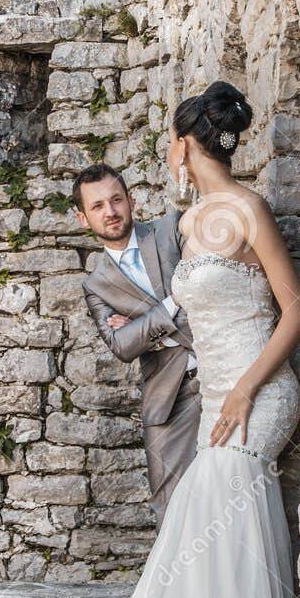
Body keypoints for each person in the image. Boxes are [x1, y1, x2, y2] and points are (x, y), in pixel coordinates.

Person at [42, 82, 300, 598]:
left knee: (222, 499)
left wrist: (246, 390)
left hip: (257, 391)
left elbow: (293, 308)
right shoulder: (188, 225)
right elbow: (144, 329)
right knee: (199, 515)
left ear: (184, 145)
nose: (168, 151)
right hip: (212, 392)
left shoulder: (248, 210)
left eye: (170, 141)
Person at [74, 165, 200, 524]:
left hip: (224, 373)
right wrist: (175, 302)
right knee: (171, 509)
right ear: (83, 218)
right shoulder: (96, 285)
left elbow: (206, 297)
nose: (110, 212)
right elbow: (122, 346)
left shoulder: (171, 229)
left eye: (116, 200)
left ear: (131, 200)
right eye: (97, 206)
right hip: (168, 399)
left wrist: (145, 328)